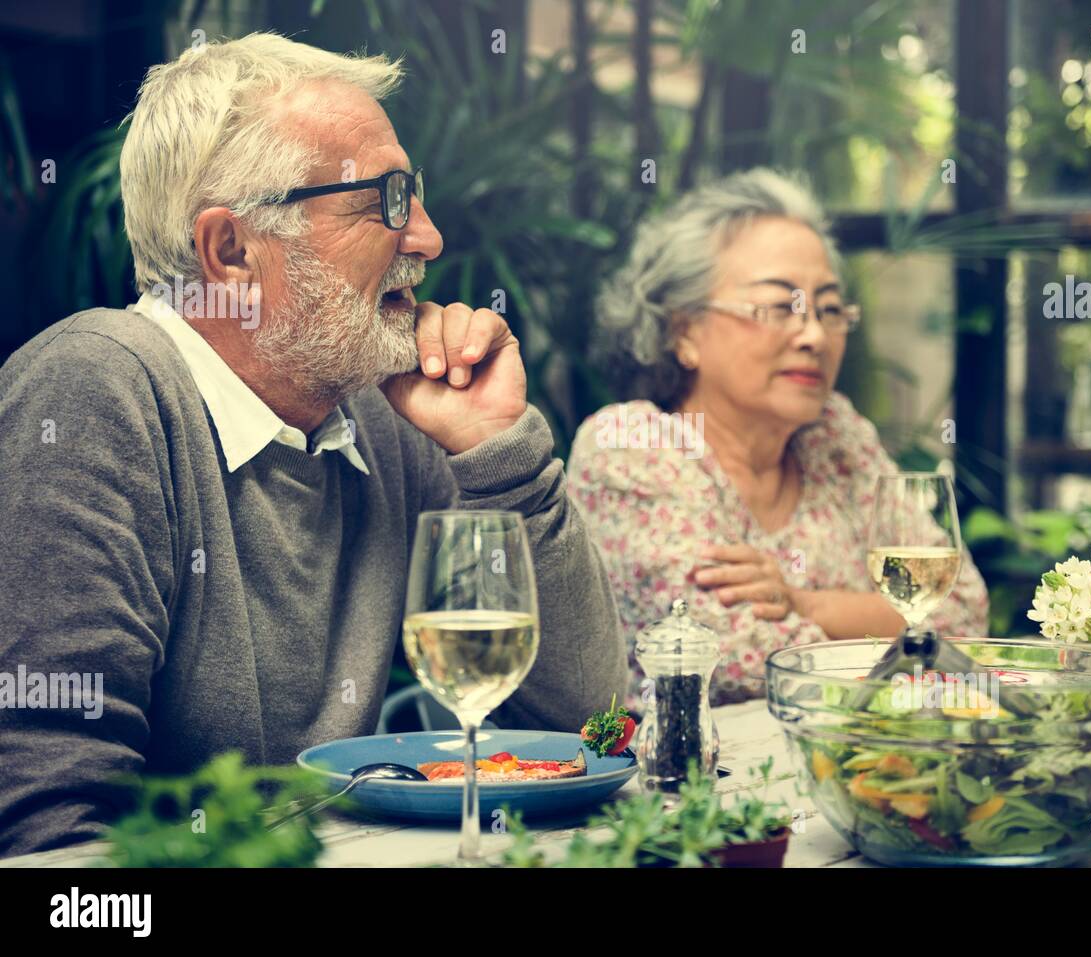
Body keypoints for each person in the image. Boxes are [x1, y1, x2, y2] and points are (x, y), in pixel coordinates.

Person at [0, 34, 624, 857]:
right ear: (231, 252)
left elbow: (587, 728)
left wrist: (497, 452)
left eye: (418, 195)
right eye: (384, 201)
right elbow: (53, 843)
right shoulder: (95, 391)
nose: (430, 239)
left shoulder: (383, 414)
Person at [566, 169, 989, 705]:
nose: (813, 335)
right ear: (683, 331)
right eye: (775, 306)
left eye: (830, 310)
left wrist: (803, 603)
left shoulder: (836, 436)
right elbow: (737, 659)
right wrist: (894, 634)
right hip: (694, 779)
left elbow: (962, 610)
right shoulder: (630, 448)